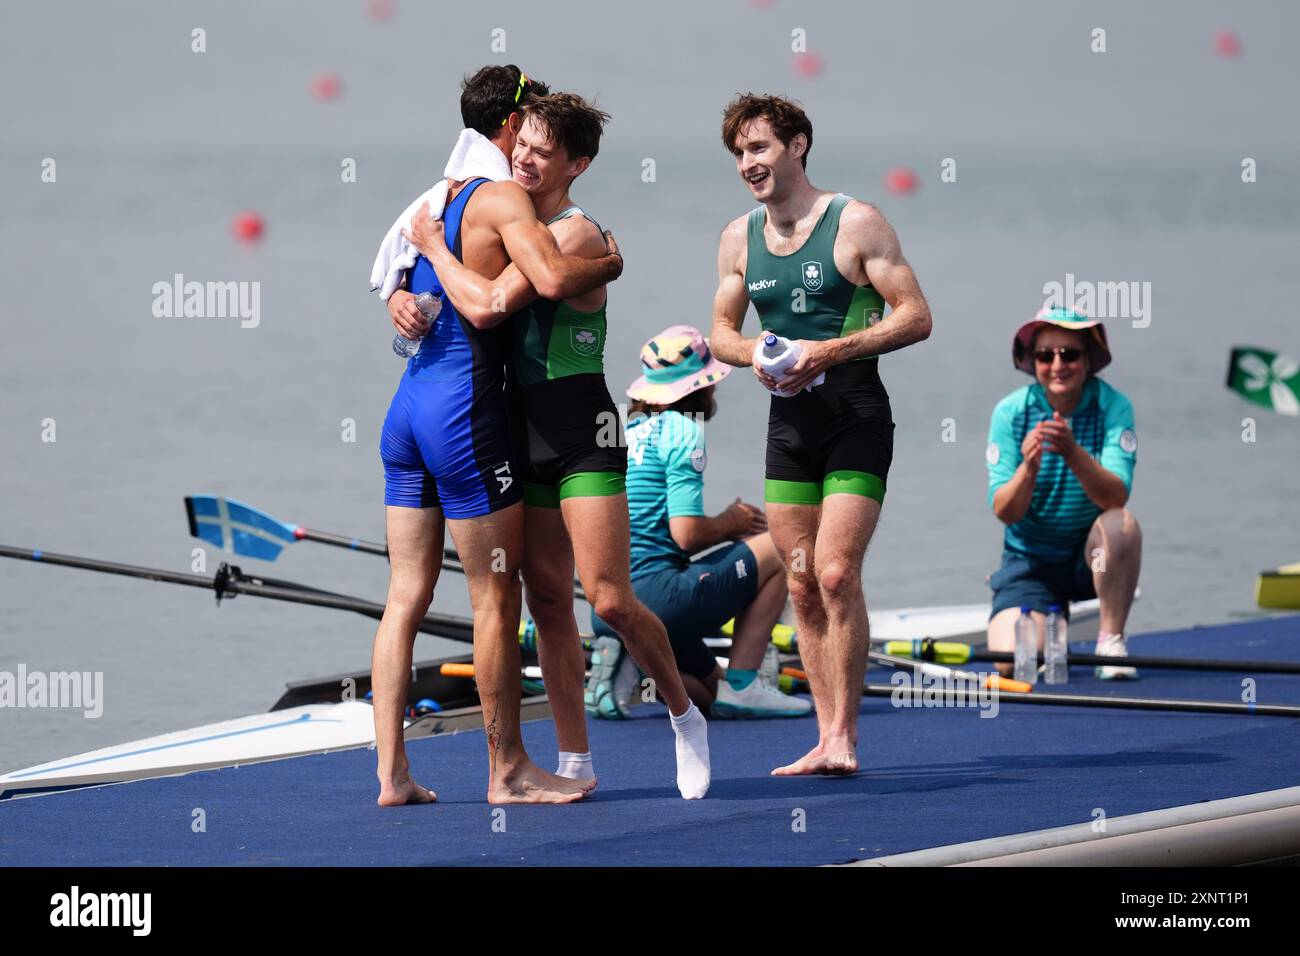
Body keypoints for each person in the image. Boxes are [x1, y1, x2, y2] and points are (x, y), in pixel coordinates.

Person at [405, 94, 712, 799]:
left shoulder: (574, 234)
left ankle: (684, 715)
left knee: (607, 599)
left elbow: (488, 302)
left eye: (545, 151)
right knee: (546, 599)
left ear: (578, 164)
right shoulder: (505, 220)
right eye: (524, 144)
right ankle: (574, 758)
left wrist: (431, 247)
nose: (526, 158)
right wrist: (400, 288)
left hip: (583, 430)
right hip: (518, 427)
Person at [372, 66, 624, 807]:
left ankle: (392, 775)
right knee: (495, 597)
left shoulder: (437, 195)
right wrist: (610, 257)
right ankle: (508, 769)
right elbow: (542, 282)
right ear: (512, 123)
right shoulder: (503, 196)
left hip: (404, 411)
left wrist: (399, 300)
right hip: (462, 413)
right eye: (530, 122)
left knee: (404, 594)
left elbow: (386, 273)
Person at [707, 93, 932, 776]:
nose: (748, 163)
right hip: (790, 425)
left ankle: (846, 737)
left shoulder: (856, 222)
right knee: (801, 584)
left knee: (836, 573)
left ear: (797, 145)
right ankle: (826, 734)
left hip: (857, 415)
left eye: (760, 148)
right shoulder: (736, 238)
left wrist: (824, 352)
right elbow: (720, 334)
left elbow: (916, 316)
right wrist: (763, 355)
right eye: (739, 153)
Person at [588, 325, 811, 720]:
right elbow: (686, 534)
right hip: (661, 598)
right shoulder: (684, 431)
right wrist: (732, 521)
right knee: (783, 544)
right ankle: (745, 683)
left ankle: (636, 663)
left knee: (709, 698)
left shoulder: (622, 430)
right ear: (698, 388)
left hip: (608, 603)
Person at [985, 307, 1141, 679]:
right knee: (1010, 661)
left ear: (1088, 361)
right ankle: (1052, 622)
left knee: (1121, 525)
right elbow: (1005, 512)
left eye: (1069, 354)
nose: (1058, 365)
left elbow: (1115, 499)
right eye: (1045, 355)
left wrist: (1073, 452)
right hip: (1030, 563)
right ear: (1033, 362)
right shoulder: (1010, 413)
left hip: (1090, 560)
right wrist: (1029, 468)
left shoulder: (1114, 407)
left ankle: (1110, 642)